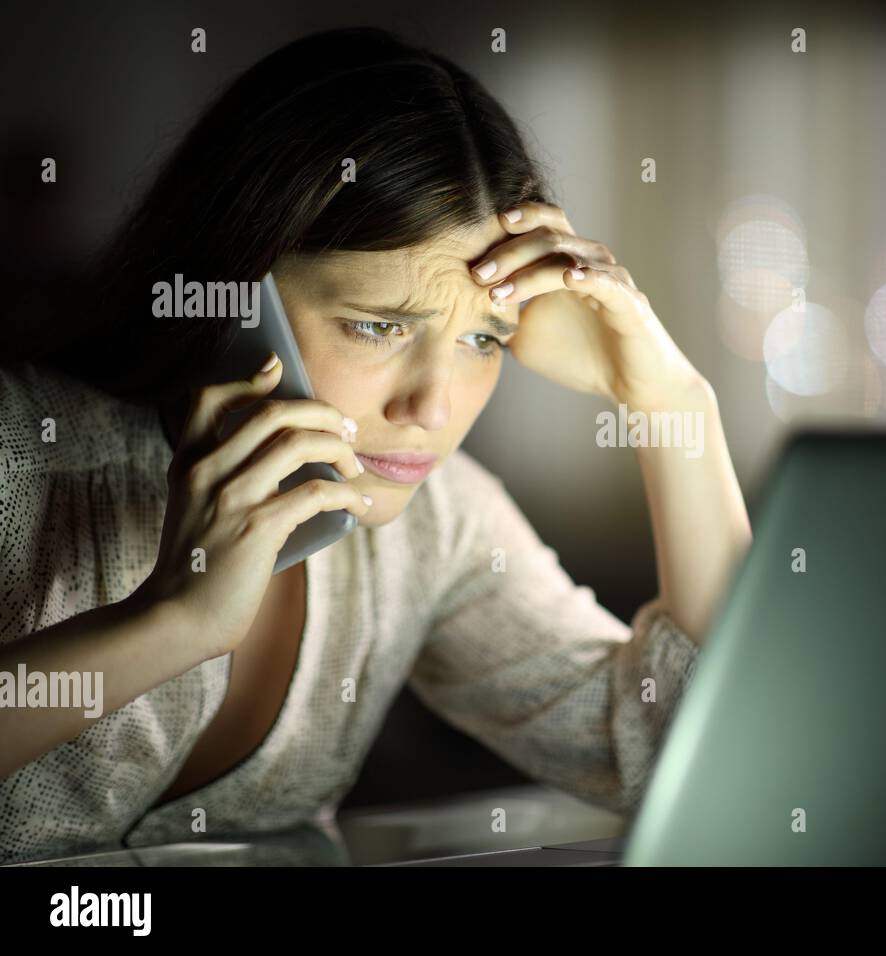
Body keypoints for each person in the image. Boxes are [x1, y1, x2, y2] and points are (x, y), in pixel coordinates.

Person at [0, 27, 750, 865]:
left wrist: (673, 402)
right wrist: (171, 624)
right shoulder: (22, 459)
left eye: (484, 341)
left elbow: (712, 770)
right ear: (233, 296)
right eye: (376, 327)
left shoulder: (442, 523)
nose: (431, 408)